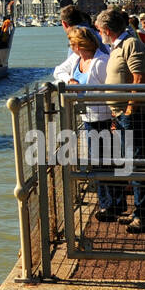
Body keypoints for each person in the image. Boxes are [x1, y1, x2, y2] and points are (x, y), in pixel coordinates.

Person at [95, 7, 145, 233]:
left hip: (135, 116)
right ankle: (139, 211)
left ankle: (144, 216)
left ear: (107, 29)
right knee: (130, 165)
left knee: (138, 165)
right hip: (122, 115)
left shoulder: (131, 44)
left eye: (100, 29)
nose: (99, 33)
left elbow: (140, 78)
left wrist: (129, 108)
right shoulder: (117, 47)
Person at [61, 26, 121, 220]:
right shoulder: (77, 60)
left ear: (78, 45)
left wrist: (114, 118)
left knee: (106, 163)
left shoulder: (100, 62)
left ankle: (112, 205)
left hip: (103, 118)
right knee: (98, 163)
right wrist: (69, 79)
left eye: (71, 44)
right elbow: (57, 71)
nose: (70, 47)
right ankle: (107, 204)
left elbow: (111, 89)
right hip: (88, 119)